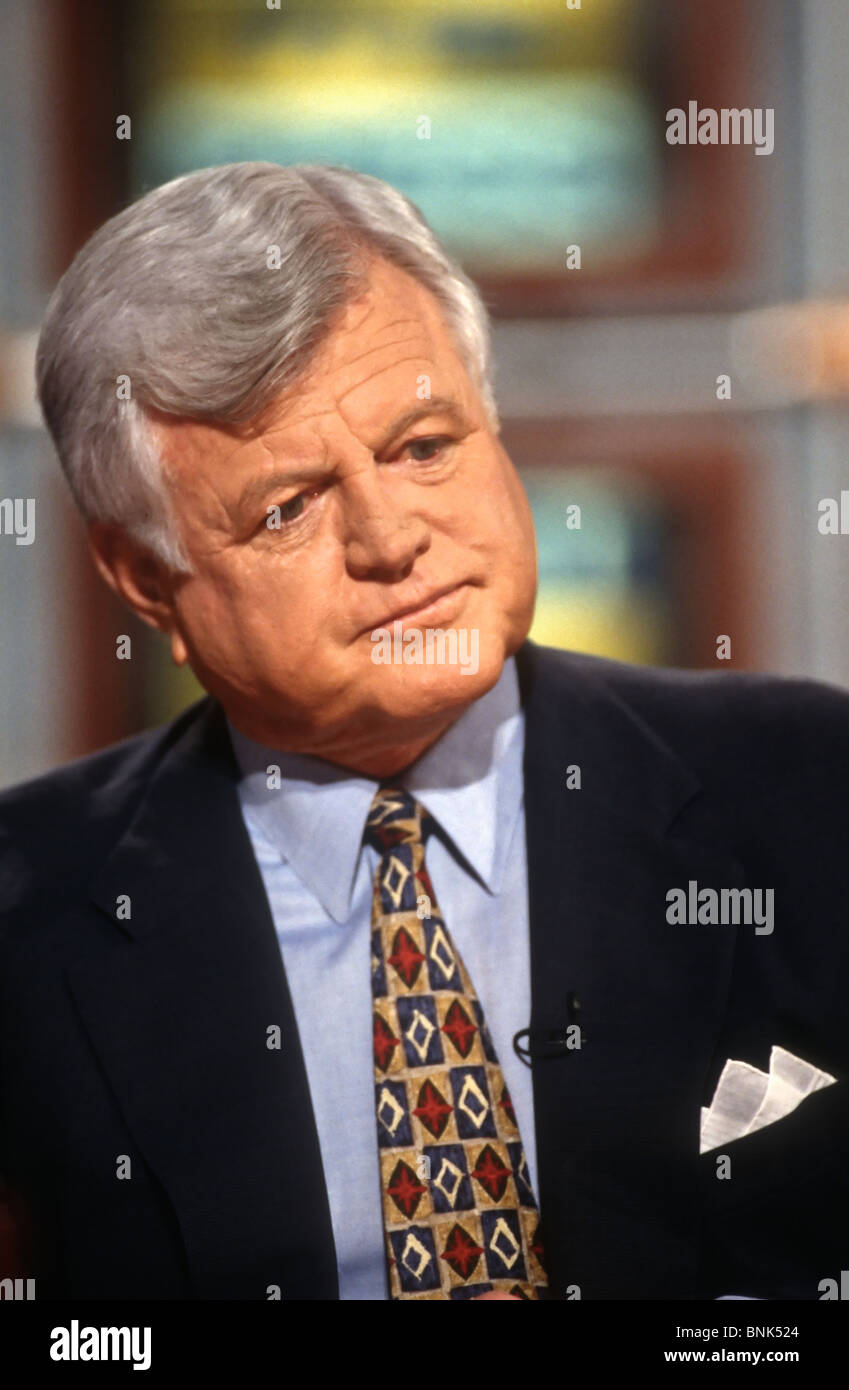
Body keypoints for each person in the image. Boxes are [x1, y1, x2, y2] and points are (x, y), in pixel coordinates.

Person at [1, 162, 847, 1301]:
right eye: (288, 506)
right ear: (147, 577)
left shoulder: (811, 791)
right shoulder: (28, 914)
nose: (392, 539)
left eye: (424, 445)